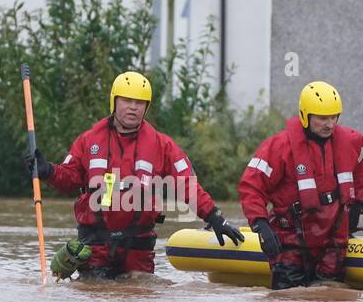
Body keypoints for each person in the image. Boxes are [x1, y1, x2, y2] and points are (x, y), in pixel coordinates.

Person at [24, 71, 243, 279]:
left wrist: (215, 217)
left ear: (146, 108)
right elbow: (68, 178)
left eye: (139, 103)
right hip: (95, 248)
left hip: (138, 249)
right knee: (92, 300)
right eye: (127, 101)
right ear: (114, 102)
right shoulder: (89, 140)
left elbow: (187, 185)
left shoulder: (162, 145)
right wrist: (48, 171)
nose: (133, 108)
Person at [238, 81, 363, 289]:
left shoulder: (352, 142)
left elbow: (361, 165)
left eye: (334, 117)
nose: (330, 124)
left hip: (332, 243)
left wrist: (357, 203)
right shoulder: (279, 147)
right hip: (291, 241)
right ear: (305, 116)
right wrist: (260, 225)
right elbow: (251, 185)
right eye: (322, 118)